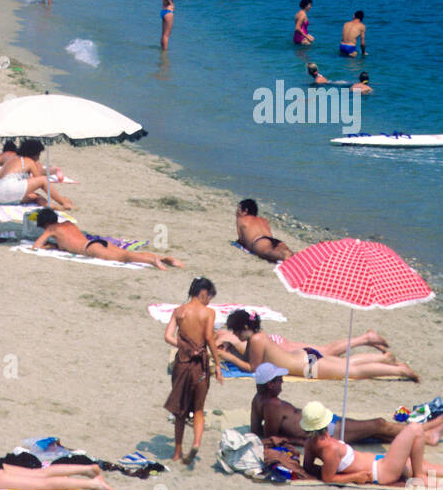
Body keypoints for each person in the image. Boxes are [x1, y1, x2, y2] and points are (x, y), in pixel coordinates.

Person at [250, 366, 432, 445]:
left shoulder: (258, 399)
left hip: (324, 424)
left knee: (378, 433)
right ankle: (422, 432)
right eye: (279, 380)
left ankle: (419, 434)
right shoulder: (272, 404)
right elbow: (271, 438)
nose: (282, 382)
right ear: (270, 384)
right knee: (379, 424)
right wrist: (302, 441)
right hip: (327, 430)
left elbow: (255, 429)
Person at [225, 312, 418, 382]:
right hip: (303, 358)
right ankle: (384, 359)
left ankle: (402, 371)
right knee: (346, 364)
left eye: (235, 332)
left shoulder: (257, 340)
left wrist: (229, 357)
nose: (235, 336)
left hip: (307, 365)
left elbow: (254, 368)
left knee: (353, 371)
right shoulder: (259, 336)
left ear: (244, 328)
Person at [301, 406, 442, 485]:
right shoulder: (330, 449)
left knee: (427, 466)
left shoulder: (311, 443)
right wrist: (354, 476)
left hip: (380, 462)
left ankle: (420, 473)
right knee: (414, 429)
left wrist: (337, 469)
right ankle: (419, 476)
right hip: (381, 471)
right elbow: (328, 478)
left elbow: (307, 466)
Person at [163, 277, 223, 464]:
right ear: (203, 293)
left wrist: (184, 346)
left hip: (182, 363)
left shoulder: (179, 311)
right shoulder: (208, 313)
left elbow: (167, 336)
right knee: (198, 409)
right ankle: (196, 442)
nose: (209, 301)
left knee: (179, 409)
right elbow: (208, 338)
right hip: (200, 366)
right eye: (209, 297)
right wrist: (218, 364)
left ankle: (177, 451)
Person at [33, 208, 181, 268]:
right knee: (128, 254)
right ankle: (162, 258)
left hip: (89, 249)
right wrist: (55, 245)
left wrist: (49, 245)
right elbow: (68, 240)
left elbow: (36, 247)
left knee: (124, 258)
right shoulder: (68, 223)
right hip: (95, 242)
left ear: (45, 223)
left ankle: (152, 261)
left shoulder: (51, 229)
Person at [0, 140, 72, 207]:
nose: (39, 157)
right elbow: (41, 181)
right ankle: (63, 202)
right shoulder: (30, 161)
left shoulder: (11, 161)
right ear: (33, 153)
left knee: (36, 196)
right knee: (43, 180)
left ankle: (54, 207)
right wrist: (59, 198)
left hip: (0, 195)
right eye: (38, 154)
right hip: (11, 190)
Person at [235, 198, 293, 262]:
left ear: (245, 211)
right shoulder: (263, 220)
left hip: (260, 241)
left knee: (269, 253)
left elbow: (241, 240)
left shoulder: (241, 219)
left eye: (239, 208)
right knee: (288, 252)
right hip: (274, 241)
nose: (237, 211)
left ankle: (284, 256)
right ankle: (294, 255)